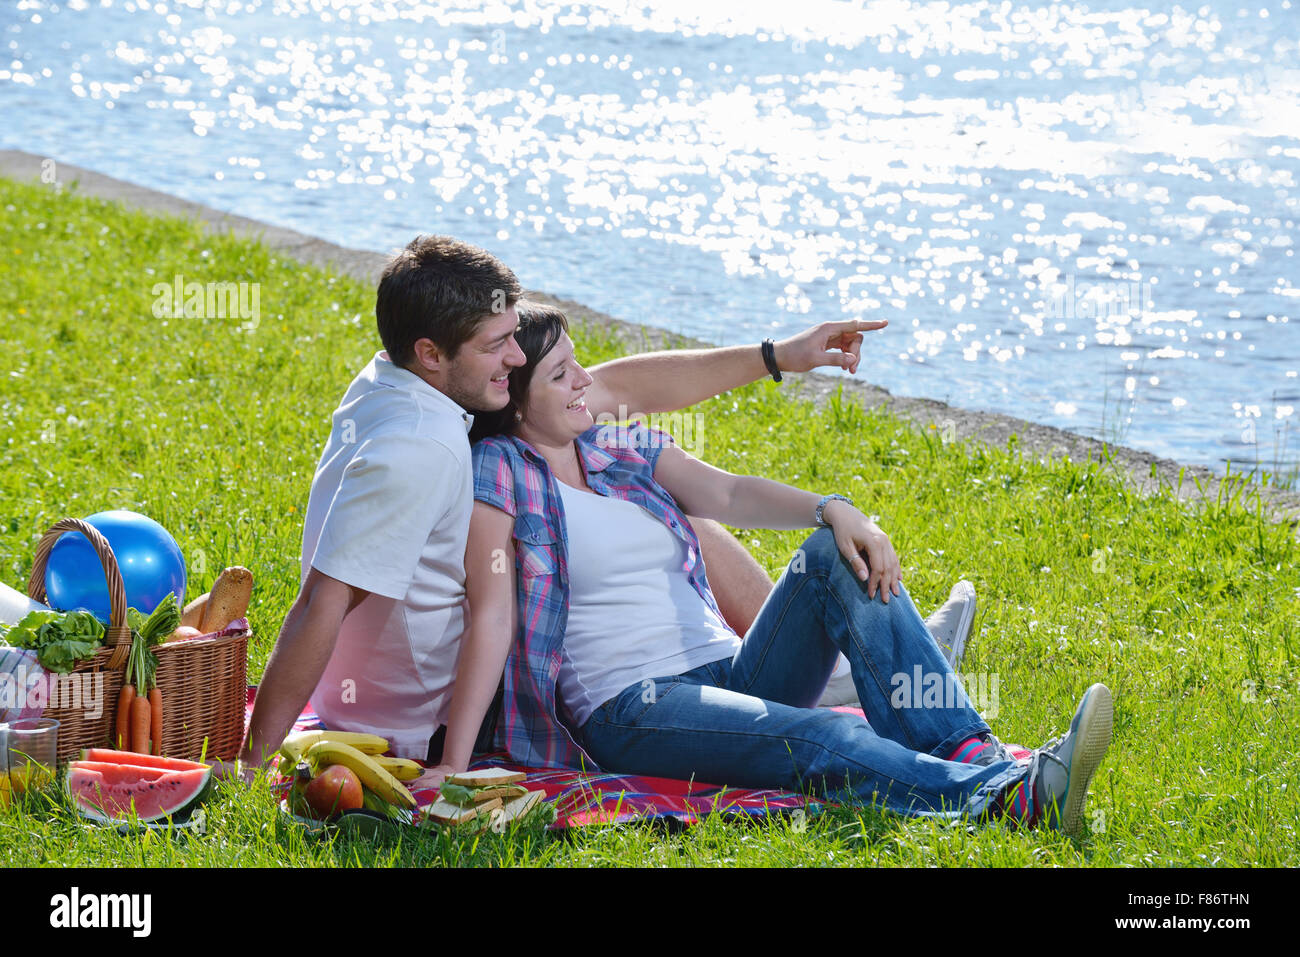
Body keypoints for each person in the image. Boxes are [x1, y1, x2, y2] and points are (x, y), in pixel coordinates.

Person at [427, 301, 1114, 836]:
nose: (587, 383)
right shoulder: (502, 474)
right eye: (562, 376)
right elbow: (492, 611)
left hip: (728, 671)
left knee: (828, 553)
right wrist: (455, 764)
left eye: (580, 364)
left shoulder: (613, 446)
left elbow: (726, 492)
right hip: (633, 705)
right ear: (515, 402)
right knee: (828, 734)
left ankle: (974, 753)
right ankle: (1009, 798)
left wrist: (834, 507)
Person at [237, 234, 893, 772]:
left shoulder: (397, 376)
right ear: (432, 353)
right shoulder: (424, 448)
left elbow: (616, 387)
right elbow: (323, 600)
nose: (514, 353)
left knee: (639, 481)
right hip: (421, 728)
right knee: (651, 496)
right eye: (498, 346)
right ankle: (815, 672)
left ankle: (798, 666)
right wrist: (251, 759)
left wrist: (778, 355)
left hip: (388, 699)